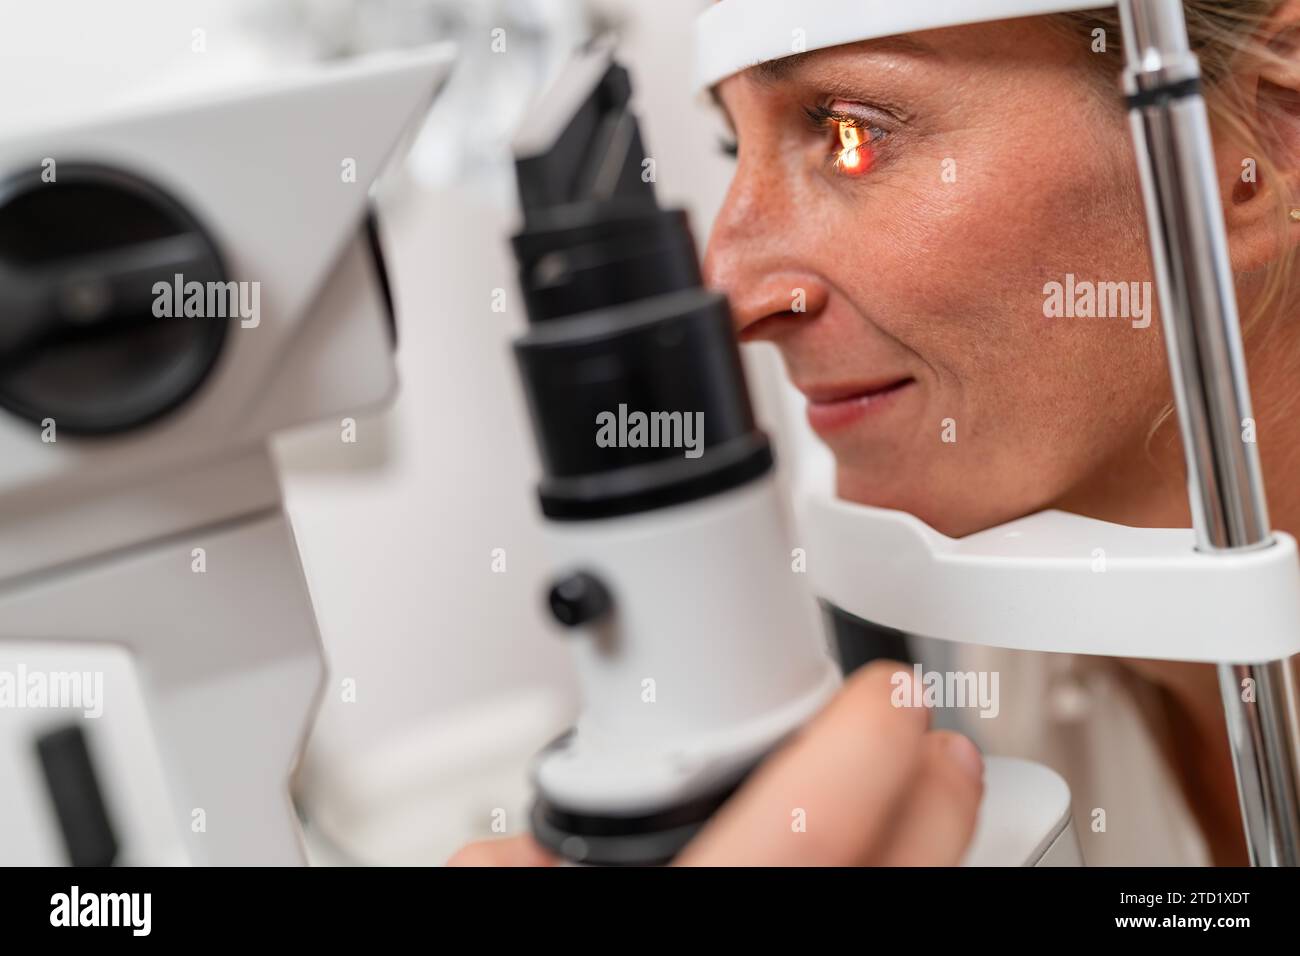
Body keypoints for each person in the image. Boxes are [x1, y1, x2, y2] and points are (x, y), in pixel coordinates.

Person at [453, 1, 1300, 866]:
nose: (734, 297)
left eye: (851, 136)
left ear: (1265, 138)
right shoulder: (991, 671)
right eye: (730, 148)